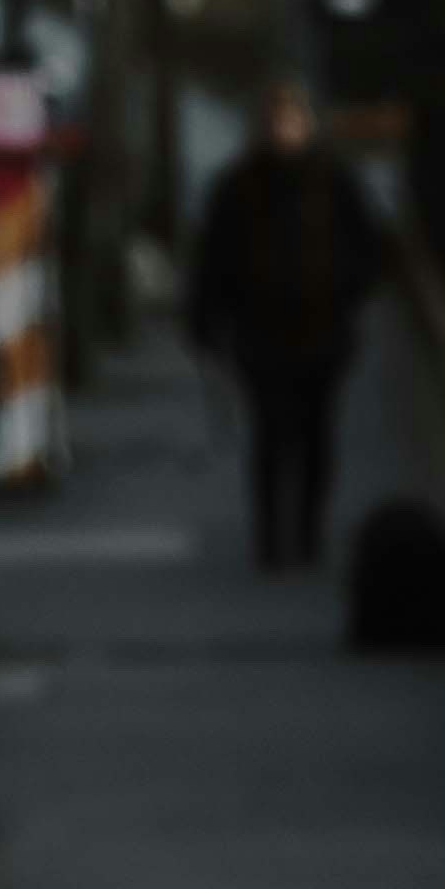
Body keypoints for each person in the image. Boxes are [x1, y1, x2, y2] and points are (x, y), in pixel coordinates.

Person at [187, 85, 386, 570]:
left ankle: (307, 532)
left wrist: (344, 291)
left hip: (323, 328)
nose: (283, 131)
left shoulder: (334, 182)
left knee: (316, 435)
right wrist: (205, 320)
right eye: (276, 121)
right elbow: (214, 258)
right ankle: (272, 539)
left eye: (291, 120)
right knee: (272, 434)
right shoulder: (239, 187)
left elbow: (371, 248)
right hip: (261, 331)